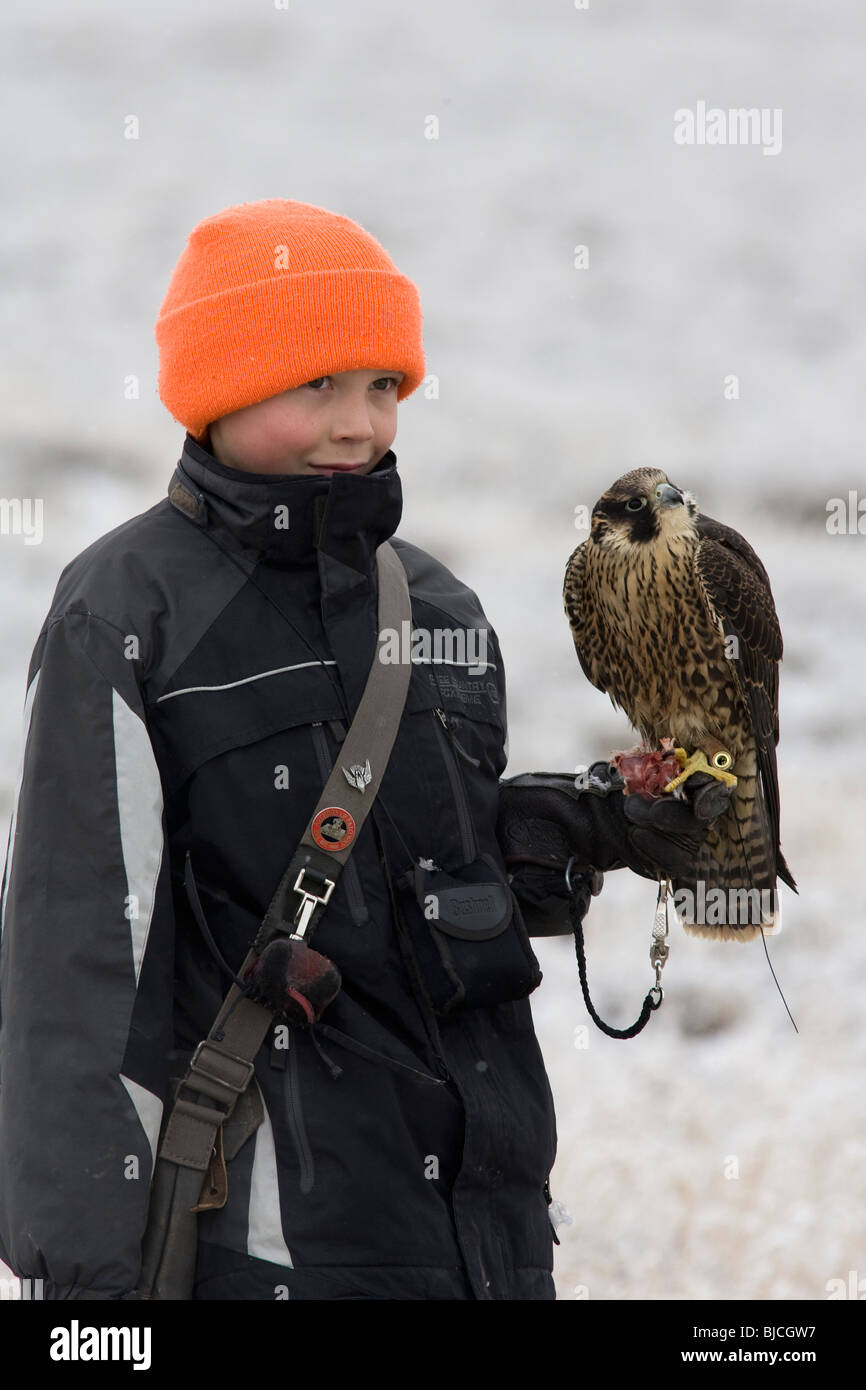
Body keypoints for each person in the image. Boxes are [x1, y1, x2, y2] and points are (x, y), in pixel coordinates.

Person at [0, 199, 723, 1301]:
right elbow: (82, 952)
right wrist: (93, 1291)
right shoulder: (124, 609)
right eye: (318, 384)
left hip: (484, 1230)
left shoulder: (435, 602)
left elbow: (421, 875)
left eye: (383, 385)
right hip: (272, 1236)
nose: (359, 424)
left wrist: (576, 831)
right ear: (221, 389)